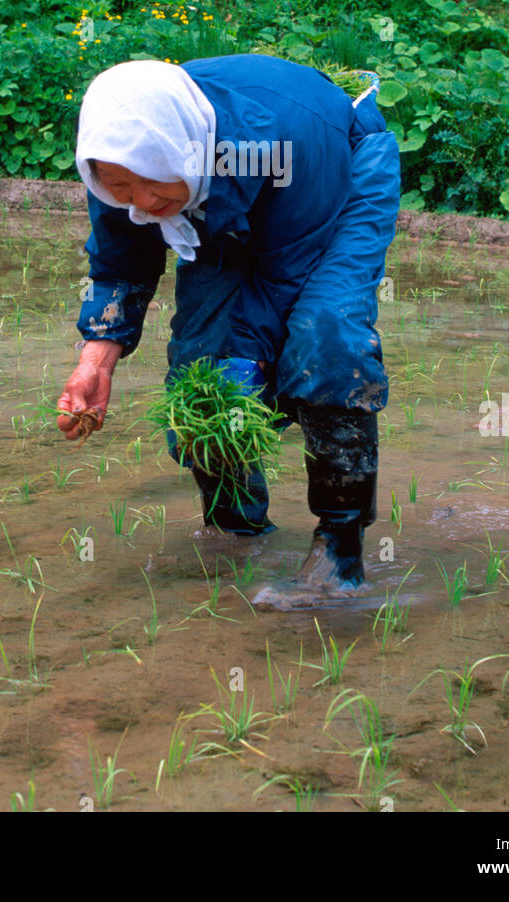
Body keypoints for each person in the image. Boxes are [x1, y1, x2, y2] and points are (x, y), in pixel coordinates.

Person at [56, 53, 400, 604]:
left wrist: (249, 369)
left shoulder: (272, 146)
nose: (142, 205)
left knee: (324, 334)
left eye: (151, 185)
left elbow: (284, 278)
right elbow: (120, 264)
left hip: (334, 171)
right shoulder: (122, 157)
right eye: (122, 188)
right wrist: (95, 361)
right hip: (218, 197)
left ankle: (341, 549)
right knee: (201, 374)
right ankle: (235, 535)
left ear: (180, 152)